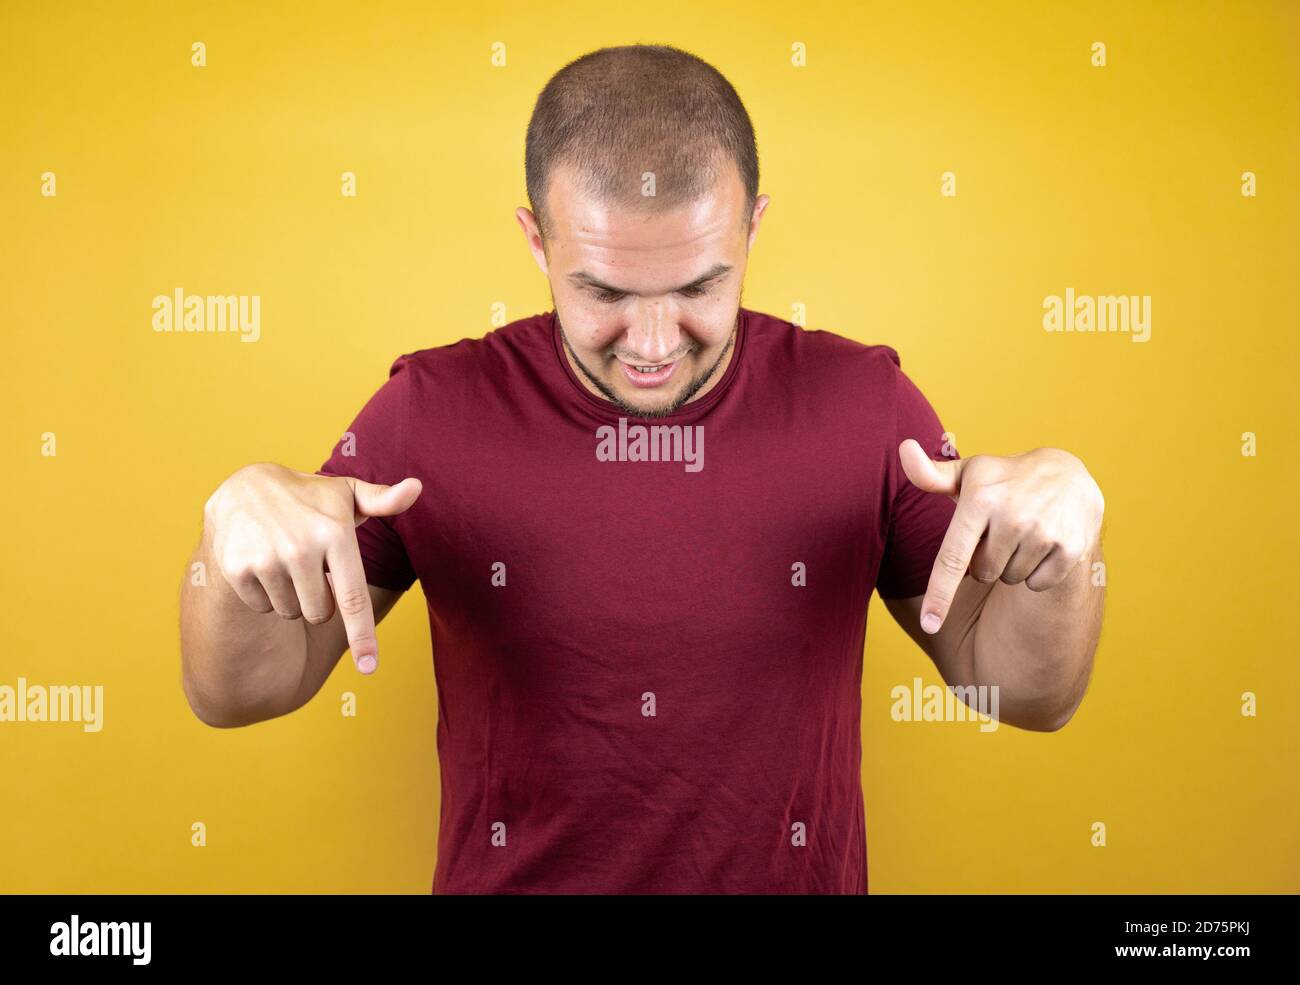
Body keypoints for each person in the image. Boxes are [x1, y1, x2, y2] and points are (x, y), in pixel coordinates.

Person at [179, 44, 1105, 894]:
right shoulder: (434, 407)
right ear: (537, 242)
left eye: (701, 286)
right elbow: (238, 692)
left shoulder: (865, 402)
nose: (655, 345)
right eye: (604, 293)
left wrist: (1064, 558)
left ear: (753, 227)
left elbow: (1027, 693)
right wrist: (227, 552)